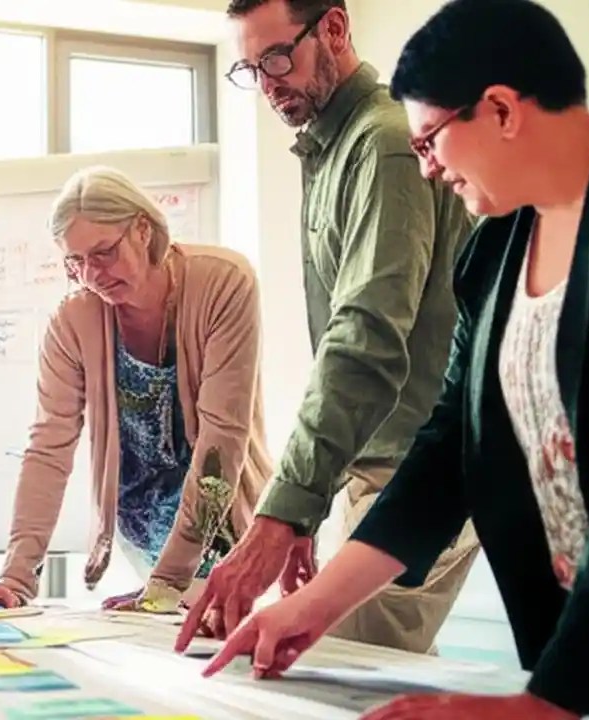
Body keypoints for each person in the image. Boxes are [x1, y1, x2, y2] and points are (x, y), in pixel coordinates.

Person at [202, 1, 589, 718]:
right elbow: (452, 446)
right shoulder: (496, 247)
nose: (424, 168)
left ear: (502, 110)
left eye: (429, 142)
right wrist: (314, 606)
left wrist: (544, 703)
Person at [179, 0, 479, 654]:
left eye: (277, 58)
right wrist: (309, 506)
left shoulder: (382, 144)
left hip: (416, 473)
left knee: (317, 664)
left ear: (335, 29)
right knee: (317, 668)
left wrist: (282, 514)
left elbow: (365, 341)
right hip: (374, 471)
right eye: (250, 70)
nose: (266, 84)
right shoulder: (331, 148)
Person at [0, 166, 271, 613]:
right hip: (144, 540)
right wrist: (16, 577)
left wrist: (168, 583)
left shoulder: (223, 281)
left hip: (223, 526)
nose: (91, 275)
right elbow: (48, 448)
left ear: (142, 228)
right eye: (75, 262)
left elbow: (222, 438)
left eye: (103, 253)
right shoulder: (72, 320)